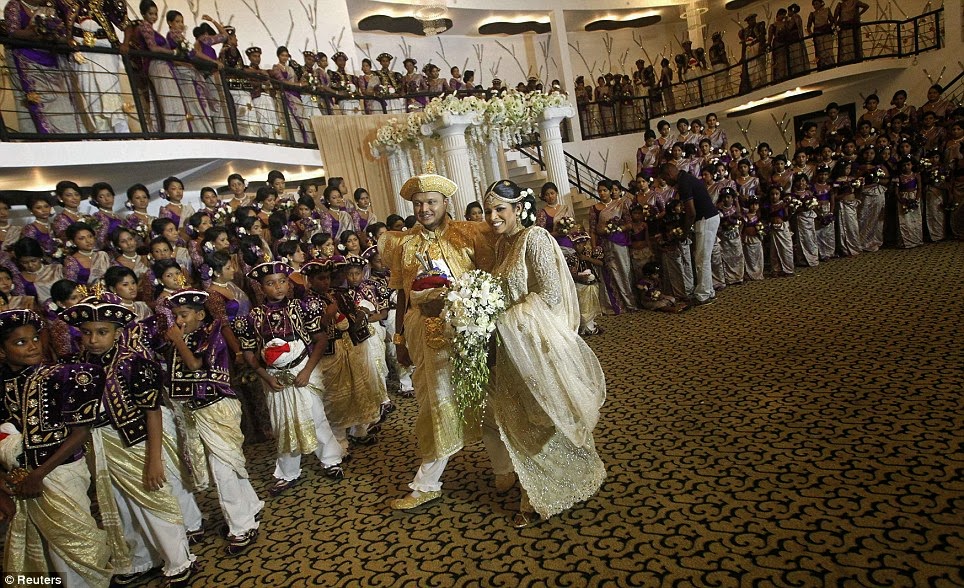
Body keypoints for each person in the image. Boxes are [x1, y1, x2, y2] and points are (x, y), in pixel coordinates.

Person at [378, 169, 511, 511]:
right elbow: (401, 295)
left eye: (431, 202)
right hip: (424, 330)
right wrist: (399, 339)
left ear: (445, 203)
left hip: (469, 329)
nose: (424, 209)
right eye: (419, 203)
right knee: (437, 401)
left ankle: (504, 468)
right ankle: (427, 483)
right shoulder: (402, 243)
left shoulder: (470, 234)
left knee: (484, 395)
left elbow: (489, 280)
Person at [481, 179, 606, 528]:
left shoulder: (534, 238)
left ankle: (547, 492)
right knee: (518, 416)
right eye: (489, 209)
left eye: (499, 209)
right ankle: (535, 484)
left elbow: (550, 295)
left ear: (519, 208)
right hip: (511, 346)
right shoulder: (503, 244)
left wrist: (501, 317)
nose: (492, 216)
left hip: (535, 344)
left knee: (540, 414)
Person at [62, 293, 196, 587]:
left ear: (118, 332)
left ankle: (178, 560)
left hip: (133, 441)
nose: (93, 339)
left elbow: (153, 414)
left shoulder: (134, 363)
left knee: (152, 500)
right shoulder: (77, 364)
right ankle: (141, 559)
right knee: (119, 505)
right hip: (100, 442)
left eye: (102, 332)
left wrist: (154, 460)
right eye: (87, 333)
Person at [0, 309, 111, 585]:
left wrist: (39, 474)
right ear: (2, 351)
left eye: (35, 338)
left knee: (75, 545)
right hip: (18, 480)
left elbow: (80, 432)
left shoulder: (60, 376)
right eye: (21, 342)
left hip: (61, 472)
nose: (33, 346)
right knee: (41, 549)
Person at [163, 289, 265, 554]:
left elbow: (197, 366)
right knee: (228, 465)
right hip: (198, 411)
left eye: (184, 315)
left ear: (200, 314)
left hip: (218, 408)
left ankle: (241, 527)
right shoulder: (181, 338)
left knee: (222, 471)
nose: (179, 321)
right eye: (175, 316)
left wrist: (179, 342)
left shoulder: (212, 335)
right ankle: (250, 507)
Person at [232, 261, 345, 495]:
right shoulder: (253, 316)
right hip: (274, 377)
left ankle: (331, 459)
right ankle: (287, 472)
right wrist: (265, 376)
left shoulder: (303, 307)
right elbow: (250, 353)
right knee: (282, 423)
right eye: (270, 284)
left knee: (315, 415)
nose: (278, 287)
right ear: (261, 288)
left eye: (282, 281)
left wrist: (307, 371)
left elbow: (320, 339)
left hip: (303, 368)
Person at [659, 162, 720, 305]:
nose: (667, 183)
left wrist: (684, 233)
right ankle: (708, 290)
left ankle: (703, 295)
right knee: (702, 258)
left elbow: (691, 213)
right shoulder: (686, 179)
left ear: (669, 174)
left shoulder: (684, 183)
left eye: (665, 179)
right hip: (708, 218)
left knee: (702, 258)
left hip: (705, 219)